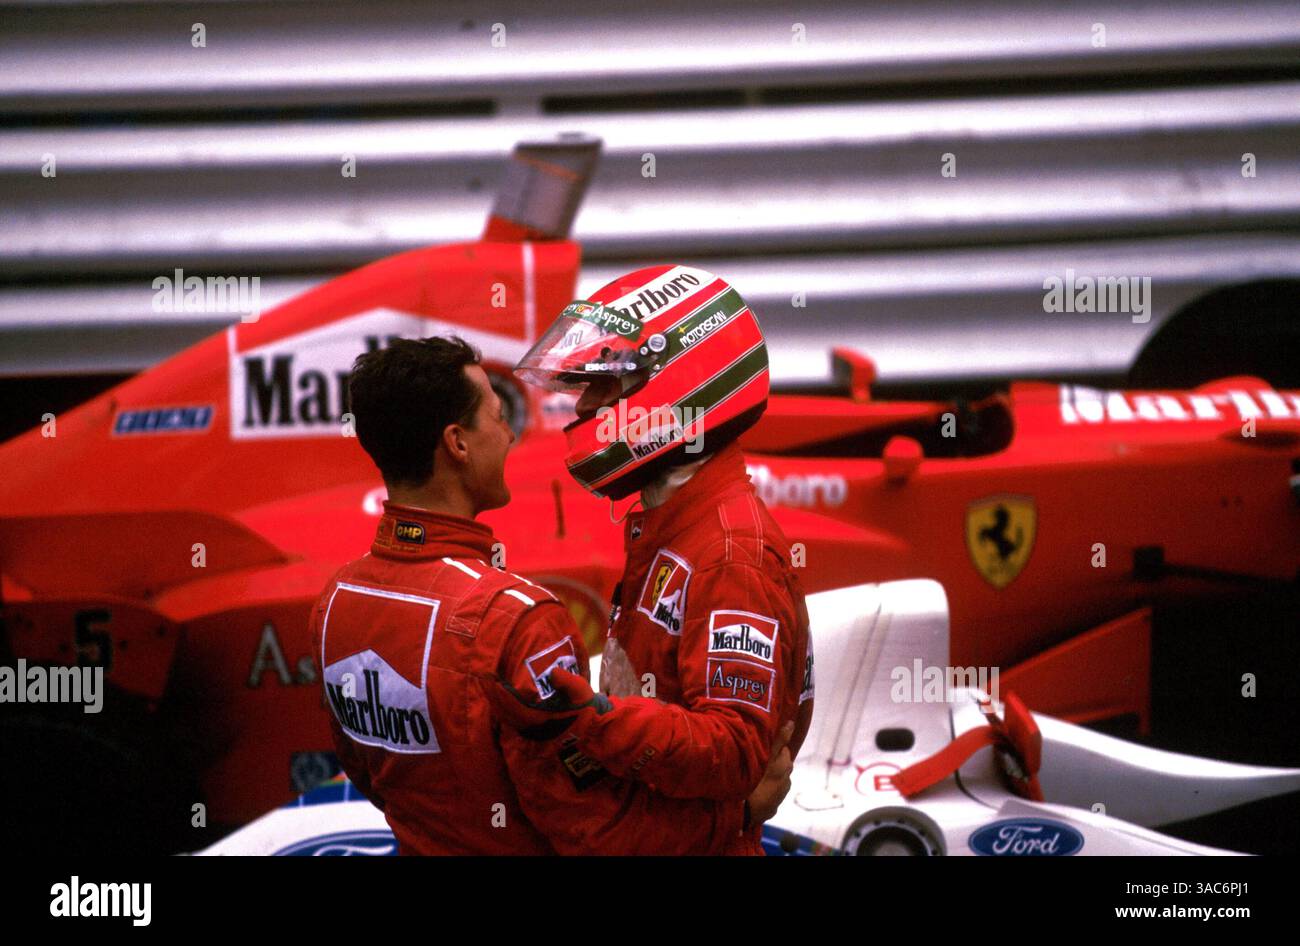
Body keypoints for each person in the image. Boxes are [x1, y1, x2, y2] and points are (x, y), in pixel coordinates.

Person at [310, 335, 791, 854]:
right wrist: (738, 814)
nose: (511, 434)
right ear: (458, 443)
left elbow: (369, 775)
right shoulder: (517, 622)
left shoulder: (336, 601)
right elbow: (592, 829)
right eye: (498, 416)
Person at [510, 265, 815, 855]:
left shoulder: (732, 556)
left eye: (606, 385)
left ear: (681, 390)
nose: (586, 404)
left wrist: (597, 721)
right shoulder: (669, 520)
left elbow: (732, 753)